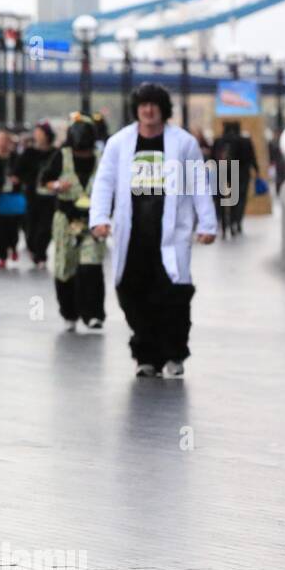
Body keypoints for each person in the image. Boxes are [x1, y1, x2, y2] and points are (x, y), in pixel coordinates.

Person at [89, 83, 216, 378]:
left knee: (174, 293)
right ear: (136, 109)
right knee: (132, 292)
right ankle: (145, 356)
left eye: (154, 104)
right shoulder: (119, 143)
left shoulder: (184, 143)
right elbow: (104, 182)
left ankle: (174, 354)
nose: (148, 110)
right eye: (143, 104)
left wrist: (208, 224)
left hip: (171, 232)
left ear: (163, 109)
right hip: (133, 234)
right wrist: (99, 217)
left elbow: (199, 183)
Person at [41, 116, 106, 330]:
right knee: (65, 267)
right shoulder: (62, 156)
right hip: (66, 219)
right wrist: (57, 185)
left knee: (92, 265)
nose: (82, 154)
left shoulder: (101, 157)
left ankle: (93, 314)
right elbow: (44, 181)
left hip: (92, 220)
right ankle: (69, 312)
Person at [18, 120, 57, 268]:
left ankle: (41, 254)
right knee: (30, 226)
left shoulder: (55, 153)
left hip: (49, 197)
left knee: (45, 227)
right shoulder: (29, 152)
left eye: (40, 133)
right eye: (36, 133)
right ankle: (33, 249)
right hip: (32, 196)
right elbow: (19, 170)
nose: (37, 135)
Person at [213, 120, 259, 238]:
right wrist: (256, 170)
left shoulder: (219, 141)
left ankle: (224, 225)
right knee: (238, 199)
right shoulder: (244, 141)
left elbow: (212, 158)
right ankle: (235, 222)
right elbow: (251, 157)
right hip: (240, 173)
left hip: (222, 171)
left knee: (222, 200)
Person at [0, 126, 26, 268]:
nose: (3, 143)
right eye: (0, 139)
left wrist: (18, 179)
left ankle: (13, 246)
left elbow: (24, 173)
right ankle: (2, 256)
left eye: (5, 139)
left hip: (12, 198)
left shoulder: (16, 158)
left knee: (13, 228)